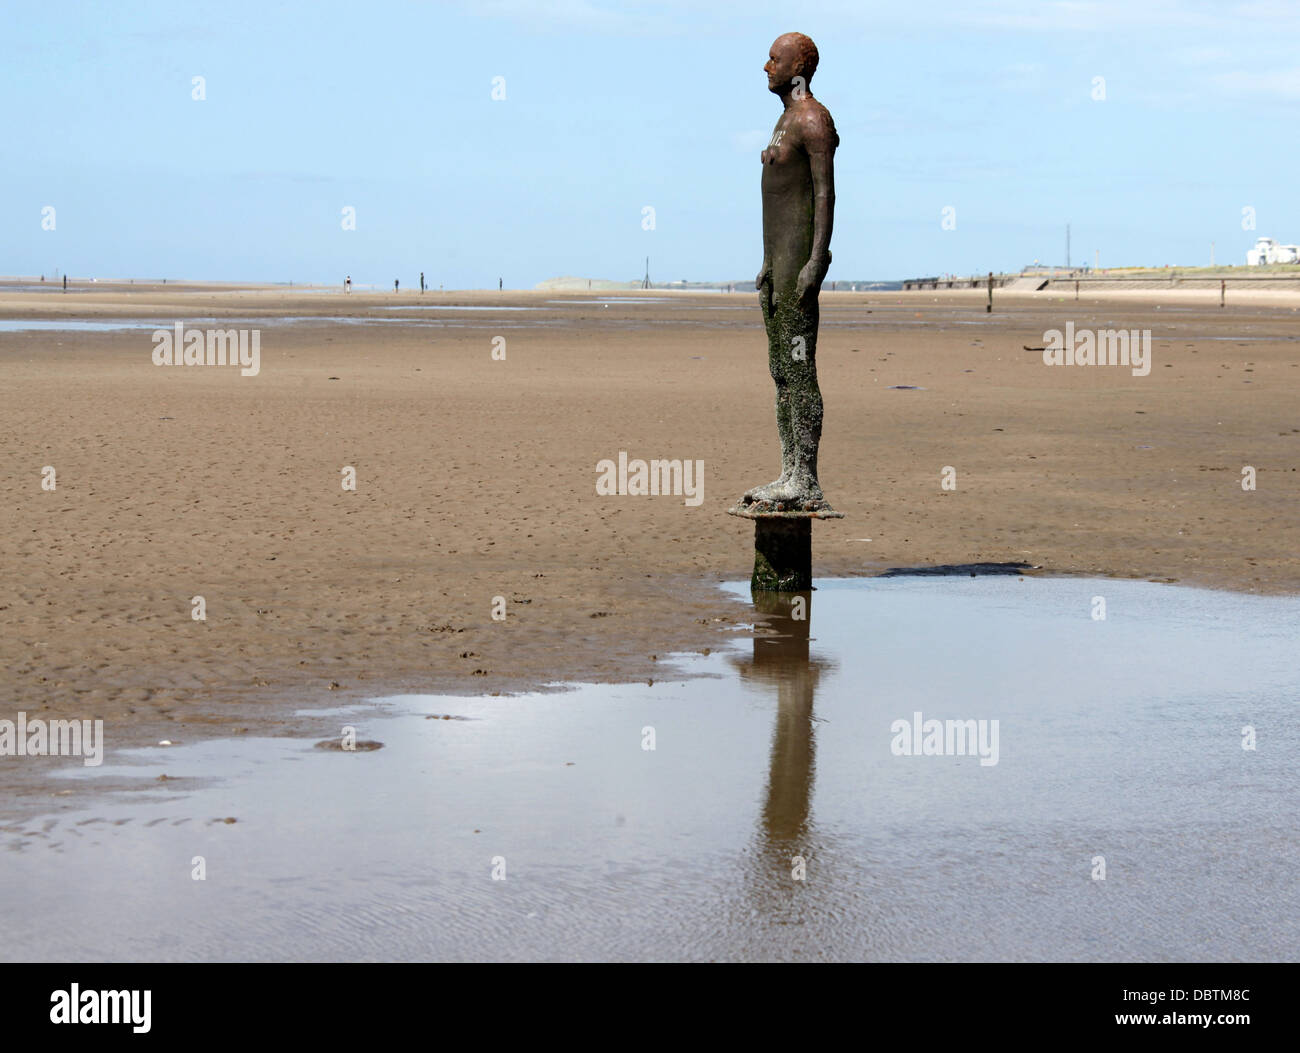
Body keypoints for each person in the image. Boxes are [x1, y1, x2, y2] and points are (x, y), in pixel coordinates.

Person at [745, 32, 837, 512]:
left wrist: (816, 262)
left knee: (800, 370)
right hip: (777, 272)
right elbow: (779, 200)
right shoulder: (784, 121)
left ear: (797, 66)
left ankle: (807, 479)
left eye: (774, 59)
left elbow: (825, 194)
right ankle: (789, 471)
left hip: (799, 270)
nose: (766, 66)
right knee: (781, 371)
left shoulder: (813, 119)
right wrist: (766, 265)